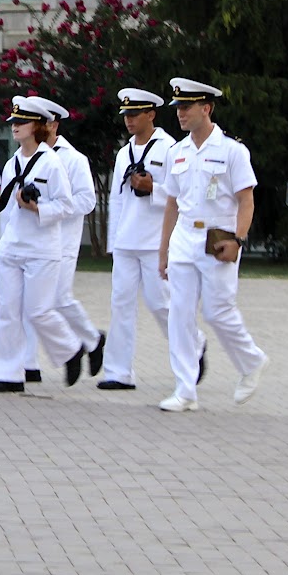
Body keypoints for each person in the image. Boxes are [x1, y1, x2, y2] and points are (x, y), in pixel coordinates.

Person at [156, 77, 268, 412]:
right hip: (185, 238)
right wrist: (163, 252)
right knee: (179, 315)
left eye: (187, 107)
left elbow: (246, 201)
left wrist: (238, 239)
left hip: (218, 238)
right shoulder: (177, 152)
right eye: (178, 107)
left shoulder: (232, 151)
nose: (180, 113)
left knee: (218, 311)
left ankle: (251, 362)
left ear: (206, 108)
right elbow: (171, 204)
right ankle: (185, 389)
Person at [0, 96, 86, 392]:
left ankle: (70, 349)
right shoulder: (13, 161)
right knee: (7, 310)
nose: (15, 127)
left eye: (22, 122)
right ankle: (7, 374)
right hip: (13, 247)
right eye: (13, 122)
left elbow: (67, 205)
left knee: (38, 311)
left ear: (38, 127)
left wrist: (38, 208)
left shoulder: (52, 163)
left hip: (42, 249)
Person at [99, 87, 185, 391]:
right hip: (126, 240)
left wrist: (154, 189)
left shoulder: (170, 148)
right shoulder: (125, 152)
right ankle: (118, 372)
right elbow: (117, 199)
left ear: (151, 114)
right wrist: (113, 242)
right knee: (120, 304)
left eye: (135, 114)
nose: (129, 120)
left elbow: (181, 196)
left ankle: (192, 346)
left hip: (154, 240)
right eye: (126, 115)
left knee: (160, 302)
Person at [36, 100, 106, 377]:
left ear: (53, 125)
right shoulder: (28, 155)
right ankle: (86, 342)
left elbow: (87, 200)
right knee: (44, 302)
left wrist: (55, 208)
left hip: (63, 239)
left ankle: (88, 341)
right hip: (36, 240)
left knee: (58, 298)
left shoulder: (73, 159)